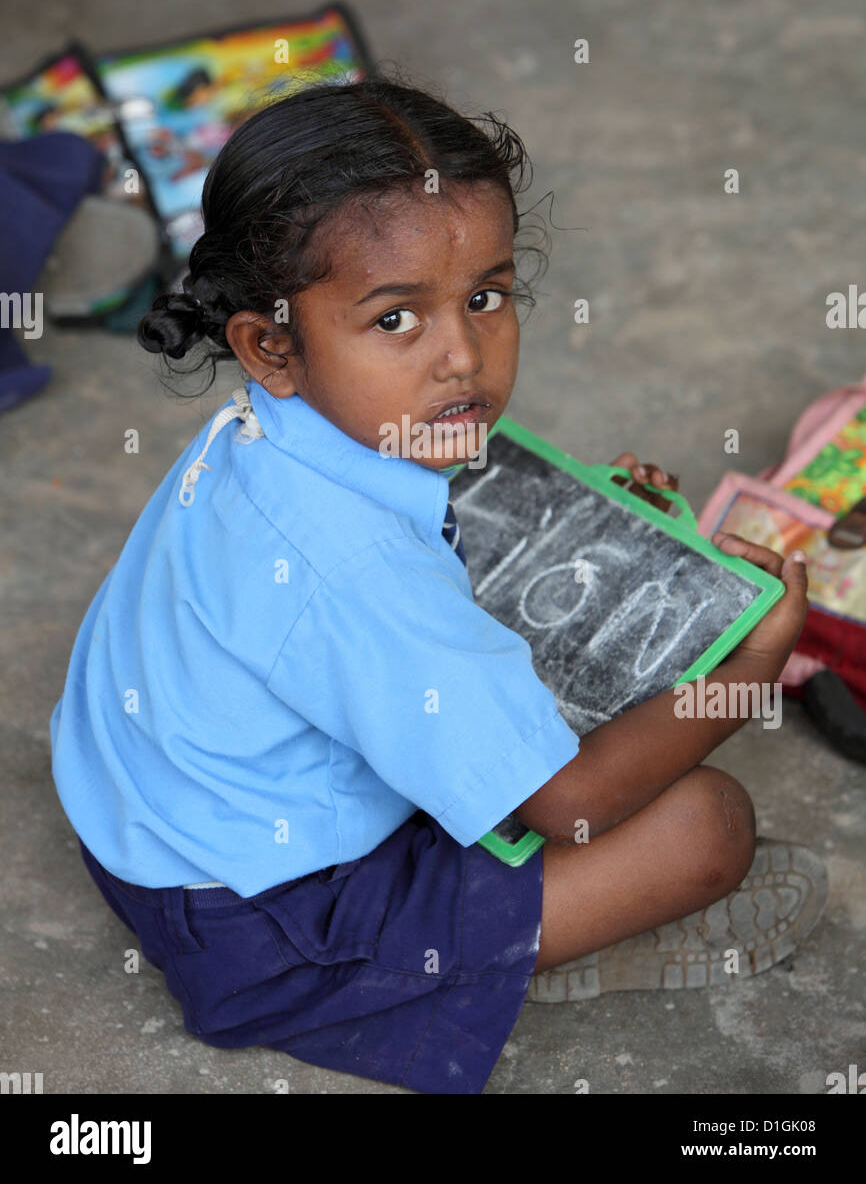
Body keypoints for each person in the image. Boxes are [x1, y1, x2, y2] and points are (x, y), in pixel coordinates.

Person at [49, 75, 819, 1095]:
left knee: (539, 635)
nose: (462, 355)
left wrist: (608, 524)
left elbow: (419, 545)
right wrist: (744, 676)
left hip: (136, 807)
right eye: (395, 319)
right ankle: (485, 971)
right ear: (270, 345)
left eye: (486, 298)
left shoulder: (272, 425)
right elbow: (568, 806)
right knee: (704, 823)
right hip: (256, 923)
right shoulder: (352, 563)